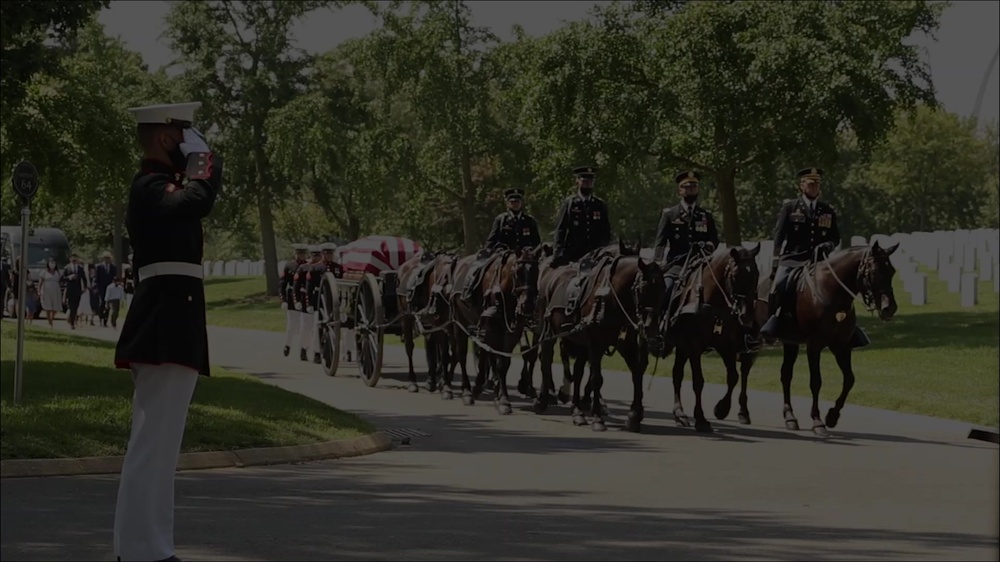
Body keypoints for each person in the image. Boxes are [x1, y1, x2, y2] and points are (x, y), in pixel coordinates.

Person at [112, 101, 222, 562]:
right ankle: (141, 550)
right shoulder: (149, 186)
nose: (188, 144)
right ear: (164, 138)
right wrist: (205, 162)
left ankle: (150, 547)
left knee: (160, 449)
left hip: (173, 324)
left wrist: (197, 163)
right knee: (152, 447)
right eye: (183, 135)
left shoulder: (161, 185)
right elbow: (199, 200)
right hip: (163, 326)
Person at [760, 167, 866, 347]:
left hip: (820, 261)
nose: (814, 187)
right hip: (793, 259)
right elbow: (779, 235)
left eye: (817, 184)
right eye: (810, 184)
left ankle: (850, 328)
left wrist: (828, 245)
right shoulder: (790, 207)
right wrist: (777, 260)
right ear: (802, 186)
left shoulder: (827, 210)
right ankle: (775, 323)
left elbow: (835, 236)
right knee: (779, 285)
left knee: (841, 287)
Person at [652, 171, 720, 348]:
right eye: (687, 187)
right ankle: (660, 329)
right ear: (679, 191)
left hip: (701, 264)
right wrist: (658, 263)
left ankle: (720, 332)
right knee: (666, 291)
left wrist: (709, 246)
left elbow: (715, 240)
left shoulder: (705, 215)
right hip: (677, 265)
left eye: (694, 186)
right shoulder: (670, 214)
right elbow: (660, 242)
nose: (691, 189)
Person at [552, 166, 612, 322]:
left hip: (596, 256)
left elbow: (606, 232)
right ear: (577, 181)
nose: (587, 184)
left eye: (590, 181)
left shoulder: (599, 205)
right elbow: (560, 230)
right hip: (574, 255)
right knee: (567, 285)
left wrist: (603, 251)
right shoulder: (570, 203)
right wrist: (558, 253)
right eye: (584, 181)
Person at [293, 246, 323, 362]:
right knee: (306, 328)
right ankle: (304, 348)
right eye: (314, 255)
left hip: (319, 300)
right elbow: (296, 285)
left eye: (318, 255)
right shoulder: (303, 268)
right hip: (307, 301)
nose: (316, 257)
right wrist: (297, 301)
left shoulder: (322, 268)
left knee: (316, 328)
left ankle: (317, 352)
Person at [280, 244, 309, 357]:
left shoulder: (309, 266)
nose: (300, 255)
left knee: (305, 327)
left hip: (305, 297)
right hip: (292, 297)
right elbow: (283, 284)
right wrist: (284, 300)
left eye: (302, 253)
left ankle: (303, 348)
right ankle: (288, 344)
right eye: (298, 253)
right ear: (295, 253)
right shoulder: (289, 266)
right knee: (292, 325)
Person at [63, 253, 88, 329]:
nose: (74, 260)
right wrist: (69, 277)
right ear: (70, 259)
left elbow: (84, 278)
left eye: (75, 258)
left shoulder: (80, 268)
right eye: (72, 258)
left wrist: (85, 287)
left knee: (76, 306)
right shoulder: (67, 268)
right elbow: (62, 278)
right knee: (71, 306)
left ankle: (73, 320)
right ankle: (72, 323)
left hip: (78, 290)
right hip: (70, 289)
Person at [95, 251, 118, 327]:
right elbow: (96, 279)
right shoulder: (99, 267)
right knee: (102, 303)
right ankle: (101, 317)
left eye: (108, 258)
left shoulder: (113, 267)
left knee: (108, 304)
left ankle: (105, 320)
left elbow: (114, 278)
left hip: (110, 289)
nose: (106, 260)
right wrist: (96, 288)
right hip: (101, 288)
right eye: (105, 258)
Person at [38, 258, 62, 328]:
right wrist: (39, 290)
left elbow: (60, 281)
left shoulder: (57, 272)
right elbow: (40, 282)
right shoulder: (44, 272)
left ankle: (52, 318)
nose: (52, 264)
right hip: (46, 290)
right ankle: (49, 322)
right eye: (51, 262)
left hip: (55, 290)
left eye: (53, 262)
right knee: (48, 307)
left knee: (55, 307)